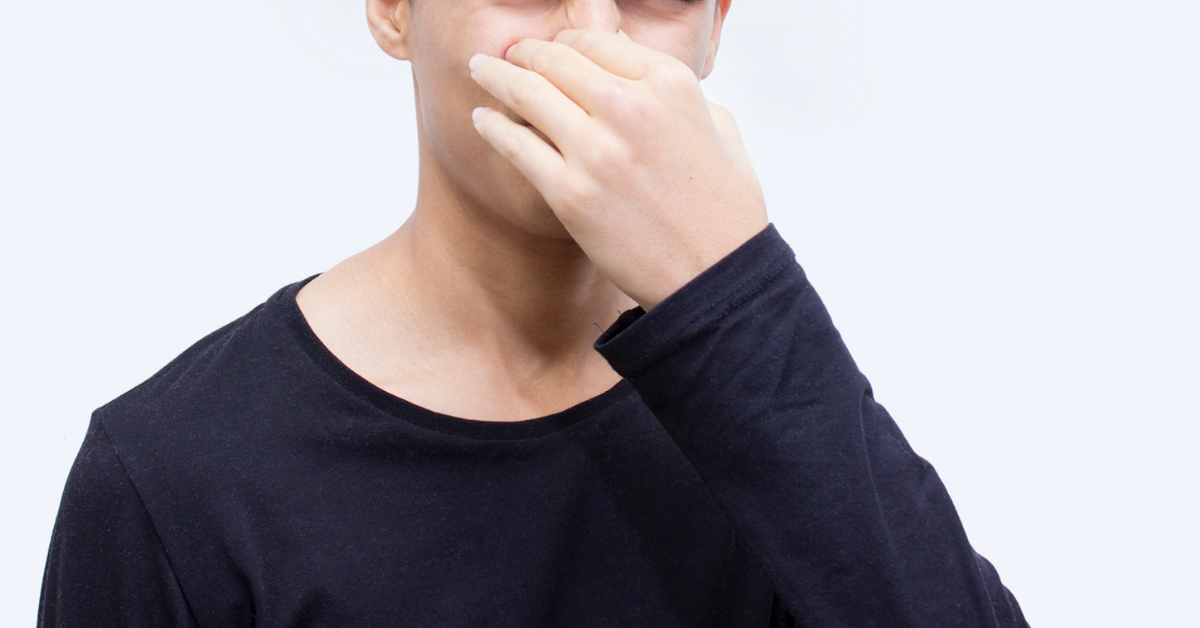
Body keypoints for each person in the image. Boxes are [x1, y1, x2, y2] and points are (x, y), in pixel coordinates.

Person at [38, 0, 1029, 626]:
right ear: (393, 9)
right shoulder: (171, 473)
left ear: (717, 25)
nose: (591, 38)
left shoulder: (777, 423)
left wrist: (733, 284)